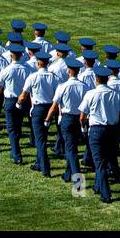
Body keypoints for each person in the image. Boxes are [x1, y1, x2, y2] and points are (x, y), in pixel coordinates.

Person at [78, 65, 120, 202]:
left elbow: (82, 116)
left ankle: (106, 193)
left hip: (97, 130)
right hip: (112, 130)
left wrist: (83, 128)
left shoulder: (91, 94)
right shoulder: (115, 94)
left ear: (96, 79)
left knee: (100, 163)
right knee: (105, 159)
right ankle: (98, 187)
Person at [47, 57, 88, 186]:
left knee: (71, 151)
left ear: (69, 71)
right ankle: (67, 174)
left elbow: (54, 106)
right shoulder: (84, 87)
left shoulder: (62, 86)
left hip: (67, 118)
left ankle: (78, 184)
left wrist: (47, 119)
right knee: (72, 147)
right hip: (79, 119)